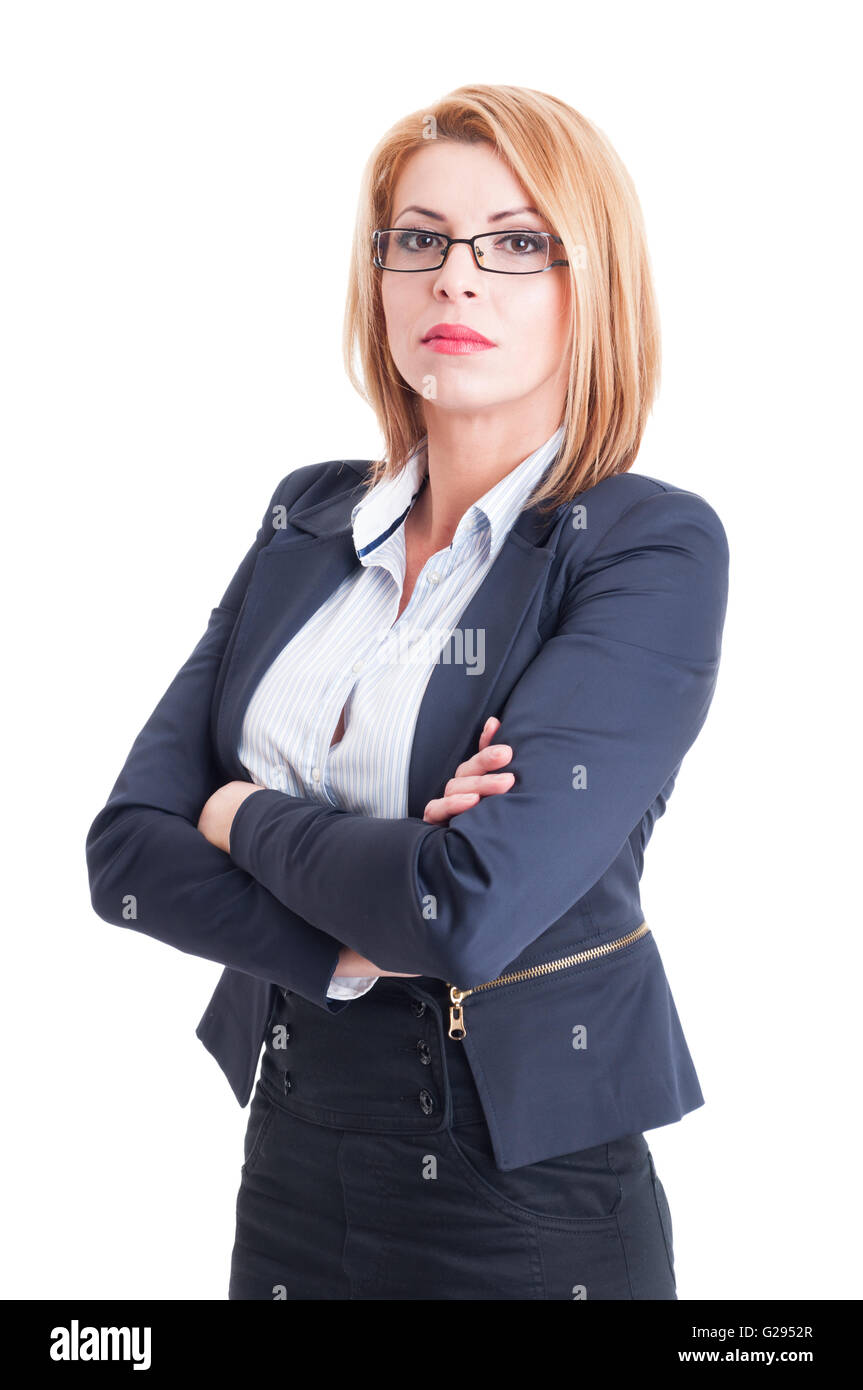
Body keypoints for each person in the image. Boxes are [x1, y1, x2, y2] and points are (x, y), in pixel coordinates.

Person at [86, 83, 729, 1300]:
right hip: (287, 1158)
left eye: (517, 242)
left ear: (589, 284)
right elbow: (123, 852)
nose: (455, 277)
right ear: (378, 275)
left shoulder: (645, 548)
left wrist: (236, 816)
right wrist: (364, 910)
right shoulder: (305, 516)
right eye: (418, 238)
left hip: (518, 1190)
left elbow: (462, 911)